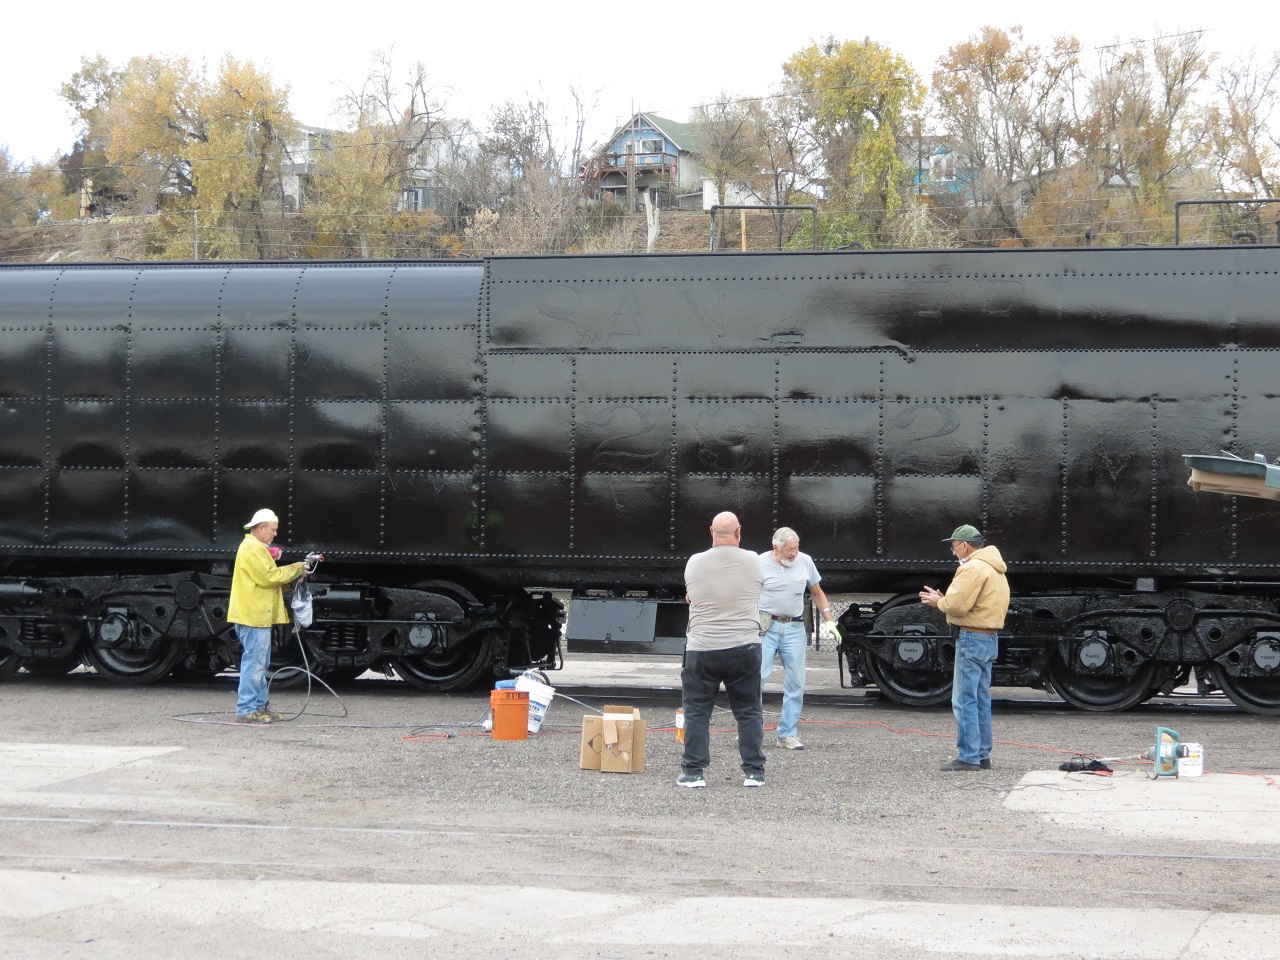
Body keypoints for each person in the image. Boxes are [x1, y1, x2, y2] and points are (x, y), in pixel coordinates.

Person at [679, 511, 766, 788]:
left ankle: (693, 773)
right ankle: (754, 773)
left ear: (711, 532)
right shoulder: (754, 561)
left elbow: (693, 596)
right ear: (738, 533)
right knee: (749, 712)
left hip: (702, 648)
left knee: (696, 712)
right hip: (745, 646)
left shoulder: (694, 562)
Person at [919, 524, 1010, 771]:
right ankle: (982, 754)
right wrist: (945, 601)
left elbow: (957, 606)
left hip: (971, 638)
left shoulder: (972, 568)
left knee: (963, 700)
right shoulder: (995, 568)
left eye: (954, 546)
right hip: (989, 639)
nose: (953, 552)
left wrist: (940, 601)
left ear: (965, 546)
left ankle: (968, 756)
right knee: (981, 698)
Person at [758, 527, 839, 751]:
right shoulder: (759, 563)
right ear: (776, 548)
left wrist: (829, 619)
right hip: (766, 627)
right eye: (789, 549)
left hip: (794, 627)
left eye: (796, 547)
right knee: (757, 678)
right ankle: (750, 729)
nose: (794, 553)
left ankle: (787, 733)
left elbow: (817, 592)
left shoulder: (805, 561)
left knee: (796, 683)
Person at [228, 508, 307, 724]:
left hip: (255, 616)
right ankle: (245, 710)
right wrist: (297, 568)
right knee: (255, 664)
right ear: (261, 528)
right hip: (252, 617)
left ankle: (259, 708)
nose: (274, 534)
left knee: (259, 663)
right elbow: (268, 577)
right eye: (272, 530)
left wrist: (294, 575)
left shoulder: (255, 548)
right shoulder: (252, 549)